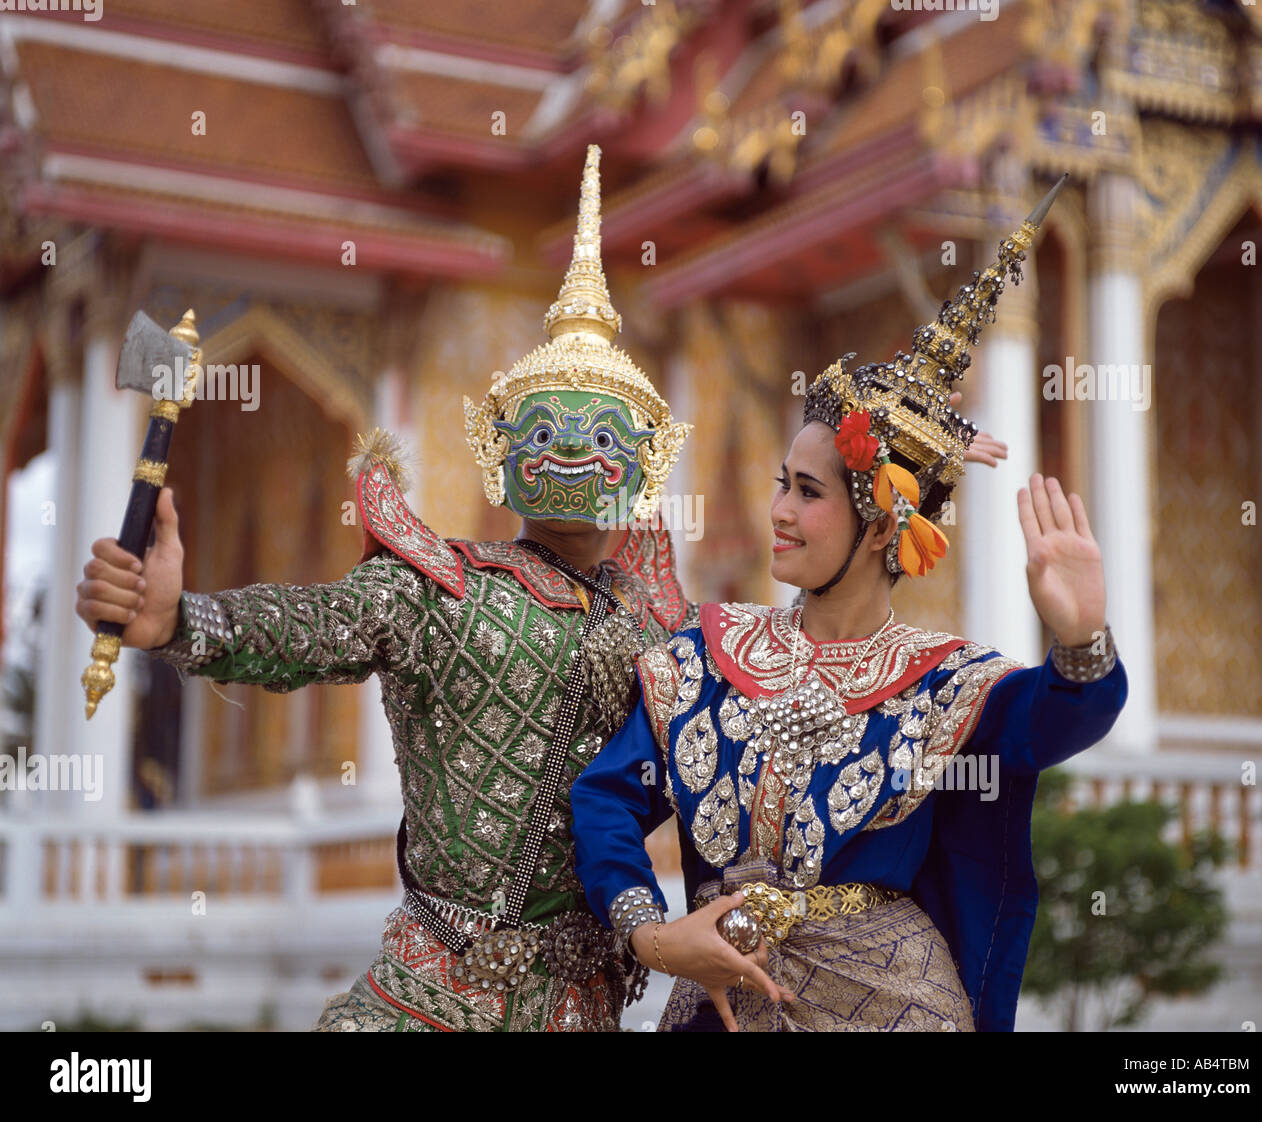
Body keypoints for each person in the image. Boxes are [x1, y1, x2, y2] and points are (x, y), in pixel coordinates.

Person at [73, 145, 697, 1032]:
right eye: (547, 426)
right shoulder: (438, 588)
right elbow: (314, 625)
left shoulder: (668, 638)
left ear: (649, 459)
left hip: (581, 1007)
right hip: (428, 999)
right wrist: (183, 618)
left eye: (605, 432)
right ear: (497, 448)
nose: (573, 449)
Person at [570, 175, 1128, 1032]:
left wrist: (1083, 635)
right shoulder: (710, 656)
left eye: (807, 492)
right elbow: (609, 797)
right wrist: (652, 934)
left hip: (894, 1006)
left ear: (879, 527)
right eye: (780, 486)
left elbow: (1053, 723)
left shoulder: (944, 685)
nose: (779, 513)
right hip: (721, 999)